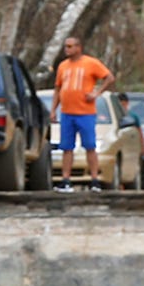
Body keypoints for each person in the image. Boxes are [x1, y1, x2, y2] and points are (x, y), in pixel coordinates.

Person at [53, 35, 114, 191]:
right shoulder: (63, 66)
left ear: (78, 47)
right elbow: (58, 88)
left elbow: (109, 77)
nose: (67, 49)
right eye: (66, 46)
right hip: (67, 113)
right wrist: (54, 110)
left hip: (85, 113)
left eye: (70, 46)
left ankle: (94, 180)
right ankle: (66, 180)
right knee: (67, 147)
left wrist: (97, 93)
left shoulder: (91, 63)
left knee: (89, 146)